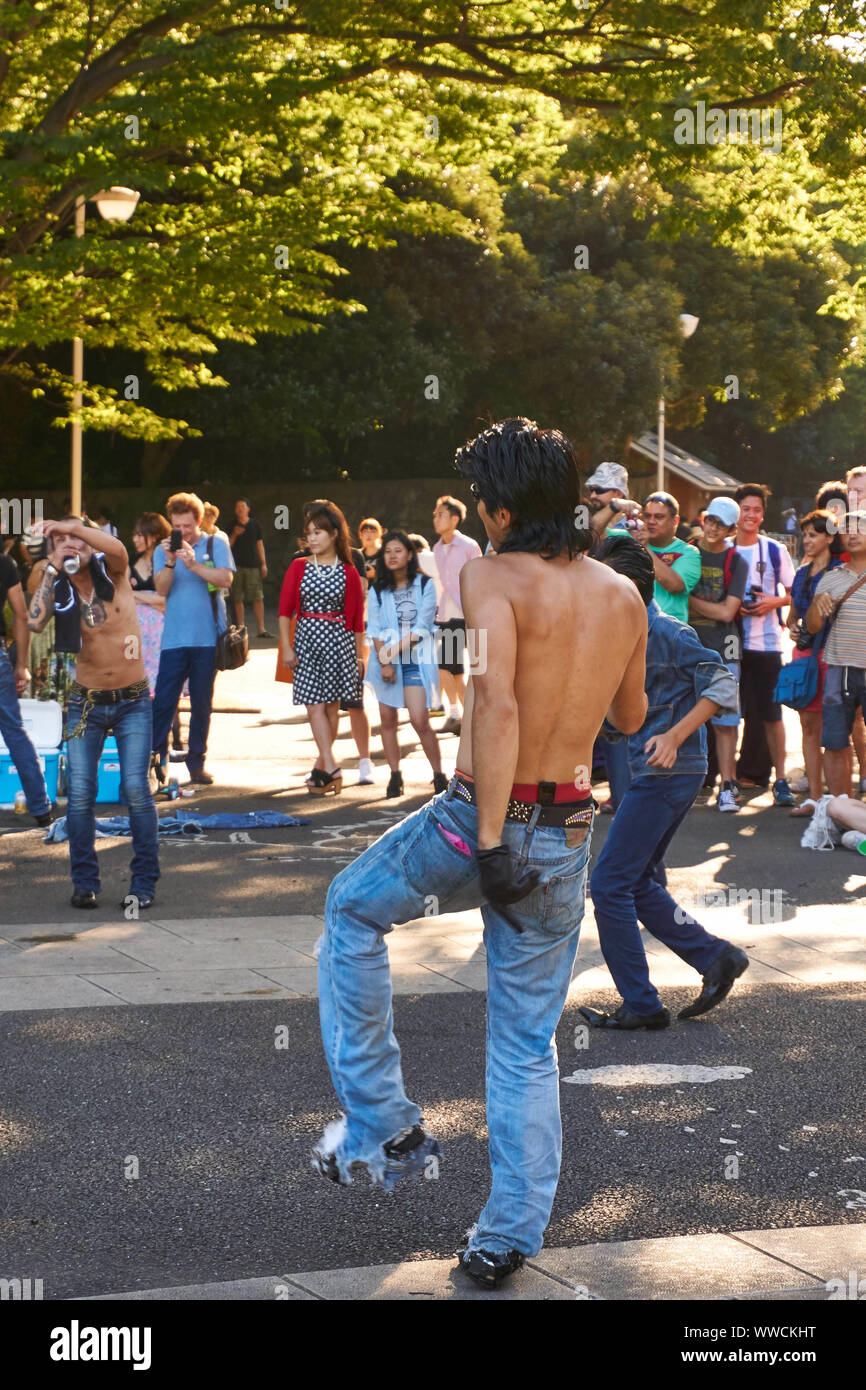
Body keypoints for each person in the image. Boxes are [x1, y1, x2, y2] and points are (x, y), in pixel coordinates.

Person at [312, 417, 648, 1292]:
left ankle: (384, 1122)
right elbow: (630, 717)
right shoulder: (621, 593)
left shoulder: (488, 573)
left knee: (352, 909)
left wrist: (490, 840)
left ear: (497, 512)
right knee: (526, 1041)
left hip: (483, 819)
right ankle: (506, 1235)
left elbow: (489, 703)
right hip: (570, 825)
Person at [581, 534, 747, 1032]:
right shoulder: (621, 635)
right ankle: (715, 959)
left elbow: (723, 682)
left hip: (668, 772)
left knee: (608, 883)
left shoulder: (667, 632)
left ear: (631, 587)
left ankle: (642, 1003)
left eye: (604, 584)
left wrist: (674, 735)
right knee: (638, 882)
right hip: (649, 772)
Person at [27, 517, 158, 909]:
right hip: (85, 703)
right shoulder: (59, 587)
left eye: (78, 539)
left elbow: (116, 548)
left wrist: (73, 529)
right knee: (81, 795)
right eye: (63, 541)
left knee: (135, 790)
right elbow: (34, 621)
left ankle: (144, 883)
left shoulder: (113, 573)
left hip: (133, 700)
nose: (72, 545)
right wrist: (53, 564)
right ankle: (85, 883)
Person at [278, 502, 365, 795]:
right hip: (305, 641)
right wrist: (286, 649)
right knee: (313, 704)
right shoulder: (299, 566)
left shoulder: (349, 572)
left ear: (334, 535)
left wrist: (359, 655)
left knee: (331, 707)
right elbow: (284, 611)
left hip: (338, 642)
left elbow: (356, 620)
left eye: (319, 533)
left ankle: (323, 767)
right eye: (309, 533)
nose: (312, 538)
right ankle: (331, 764)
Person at [151, 492, 235, 787]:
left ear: (199, 521)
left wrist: (194, 564)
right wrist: (172, 562)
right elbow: (161, 590)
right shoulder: (163, 550)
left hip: (207, 637)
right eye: (176, 526)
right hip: (174, 638)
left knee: (201, 704)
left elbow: (226, 579)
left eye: (186, 526)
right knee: (162, 702)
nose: (181, 532)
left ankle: (196, 762)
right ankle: (156, 762)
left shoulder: (216, 543)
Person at [365, 530, 448, 799]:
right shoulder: (377, 589)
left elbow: (423, 627)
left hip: (415, 660)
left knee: (419, 720)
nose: (392, 556)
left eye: (398, 550)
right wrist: (384, 660)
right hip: (384, 662)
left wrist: (392, 652)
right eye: (387, 551)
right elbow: (374, 627)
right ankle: (395, 775)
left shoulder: (424, 584)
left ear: (410, 554)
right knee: (387, 720)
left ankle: (439, 774)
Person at [732, 482, 796, 806]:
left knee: (768, 711)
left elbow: (793, 592)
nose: (751, 515)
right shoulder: (724, 548)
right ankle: (724, 777)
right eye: (746, 509)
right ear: (736, 511)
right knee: (728, 710)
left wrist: (771, 603)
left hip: (768, 642)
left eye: (757, 510)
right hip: (730, 640)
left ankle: (769, 776)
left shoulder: (774, 550)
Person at [687, 496, 748, 812]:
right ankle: (691, 785)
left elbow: (727, 613)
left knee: (726, 720)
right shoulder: (687, 551)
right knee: (688, 718)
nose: (713, 527)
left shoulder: (737, 561)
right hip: (688, 647)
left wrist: (688, 599)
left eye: (721, 524)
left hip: (725, 649)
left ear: (731, 529)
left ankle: (729, 786)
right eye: (710, 520)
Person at [785, 511, 843, 815]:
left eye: (814, 535)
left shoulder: (840, 571)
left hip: (831, 655)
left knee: (833, 729)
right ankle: (814, 797)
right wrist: (793, 627)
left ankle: (836, 801)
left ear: (829, 538)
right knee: (807, 725)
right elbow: (791, 616)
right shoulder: (801, 572)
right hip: (804, 655)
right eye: (805, 535)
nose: (807, 540)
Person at [806, 511, 866, 798]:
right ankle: (842, 812)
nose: (853, 534)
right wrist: (816, 605)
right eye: (848, 529)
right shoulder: (831, 579)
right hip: (839, 668)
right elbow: (813, 627)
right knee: (834, 742)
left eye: (861, 528)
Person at [0, 546, 52, 827]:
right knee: (14, 731)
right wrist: (21, 664)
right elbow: (22, 614)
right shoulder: (5, 563)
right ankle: (41, 807)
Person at [431, 495, 482, 734]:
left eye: (440, 514)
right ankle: (455, 715)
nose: (436, 519)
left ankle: (471, 719)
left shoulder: (469, 546)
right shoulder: (436, 548)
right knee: (447, 668)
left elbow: (483, 579)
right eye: (435, 515)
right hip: (447, 616)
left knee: (478, 670)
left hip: (471, 613)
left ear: (454, 518)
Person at [633, 490, 701, 622]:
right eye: (647, 516)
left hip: (669, 635)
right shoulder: (631, 540)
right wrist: (614, 506)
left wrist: (645, 548)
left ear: (675, 521)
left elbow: (674, 585)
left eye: (659, 517)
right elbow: (594, 535)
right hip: (634, 629)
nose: (651, 521)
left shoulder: (690, 552)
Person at [129, 513, 170, 693]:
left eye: (140, 535)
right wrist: (151, 598)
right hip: (133, 636)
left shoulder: (166, 563)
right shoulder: (130, 561)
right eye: (134, 534)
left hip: (161, 636)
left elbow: (166, 601)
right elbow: (123, 595)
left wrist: (137, 596)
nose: (134, 539)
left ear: (153, 537)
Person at [229, 498, 272, 639]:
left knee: (258, 597)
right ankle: (241, 628)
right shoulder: (231, 525)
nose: (240, 509)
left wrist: (263, 563)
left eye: (242, 506)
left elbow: (260, 544)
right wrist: (235, 533)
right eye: (238, 506)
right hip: (236, 566)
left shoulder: (255, 524)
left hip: (253, 566)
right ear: (235, 510)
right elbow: (227, 546)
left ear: (248, 508)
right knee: (237, 598)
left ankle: (261, 628)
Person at [585, 461, 639, 543]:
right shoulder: (584, 519)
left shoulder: (634, 526)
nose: (592, 496)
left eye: (599, 490)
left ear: (618, 494)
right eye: (591, 490)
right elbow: (588, 537)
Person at [358, 518, 383, 582]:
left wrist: (376, 574)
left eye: (373, 531)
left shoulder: (385, 553)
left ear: (379, 534)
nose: (369, 535)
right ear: (360, 535)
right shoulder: (356, 555)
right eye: (365, 531)